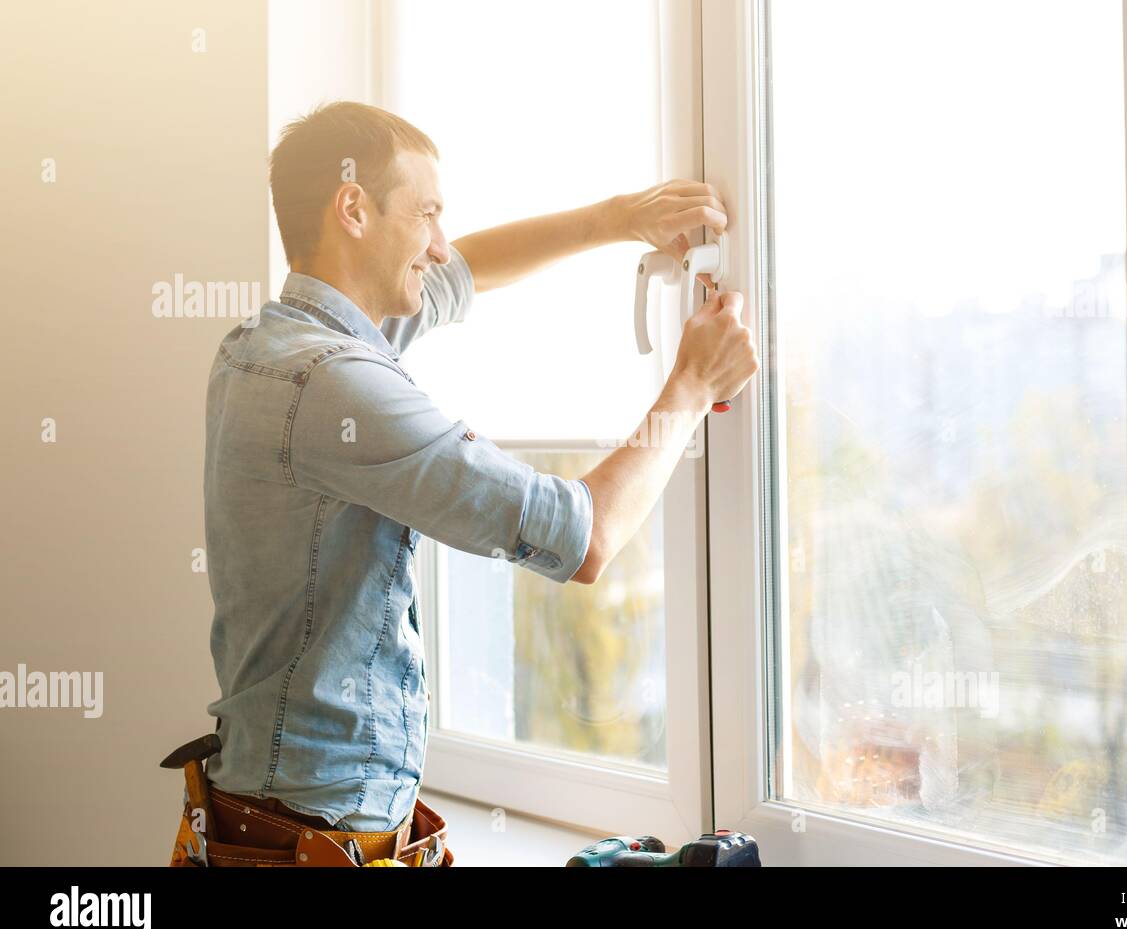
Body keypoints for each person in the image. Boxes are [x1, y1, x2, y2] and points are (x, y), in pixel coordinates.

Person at [198, 101, 758, 847]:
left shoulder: (267, 344)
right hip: (315, 830)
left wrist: (619, 218)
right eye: (426, 213)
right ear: (353, 209)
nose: (438, 244)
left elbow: (464, 269)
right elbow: (584, 536)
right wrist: (690, 386)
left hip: (273, 811)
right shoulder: (333, 385)